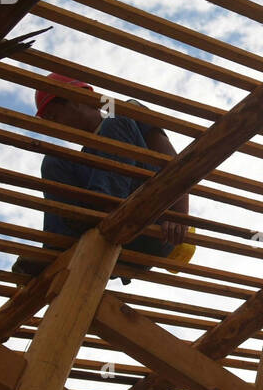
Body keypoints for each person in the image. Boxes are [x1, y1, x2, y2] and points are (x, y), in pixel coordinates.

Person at [12, 73, 192, 280]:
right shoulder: (85, 160)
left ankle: (104, 206)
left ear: (77, 99)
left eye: (55, 117)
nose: (56, 126)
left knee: (118, 118)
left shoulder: (123, 116)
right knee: (54, 160)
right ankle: (57, 247)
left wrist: (177, 215)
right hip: (112, 241)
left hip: (154, 225)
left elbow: (175, 162)